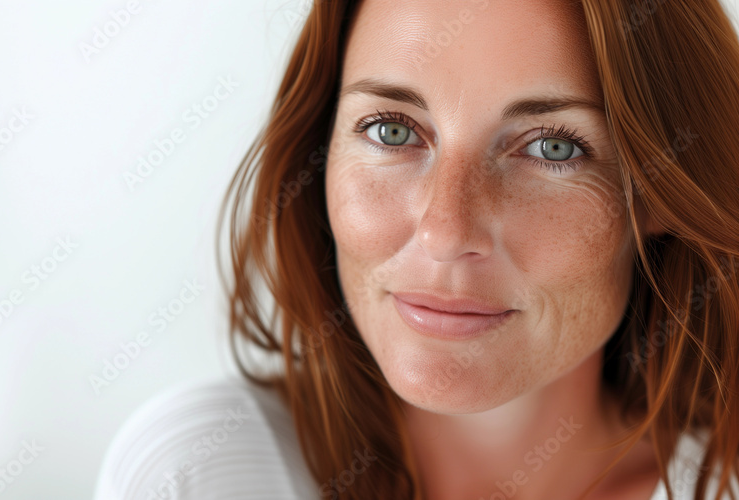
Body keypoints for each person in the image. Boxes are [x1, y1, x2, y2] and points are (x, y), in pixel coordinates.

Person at [94, 0, 739, 498]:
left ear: (661, 192)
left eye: (553, 147)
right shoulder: (197, 472)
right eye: (391, 131)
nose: (445, 232)